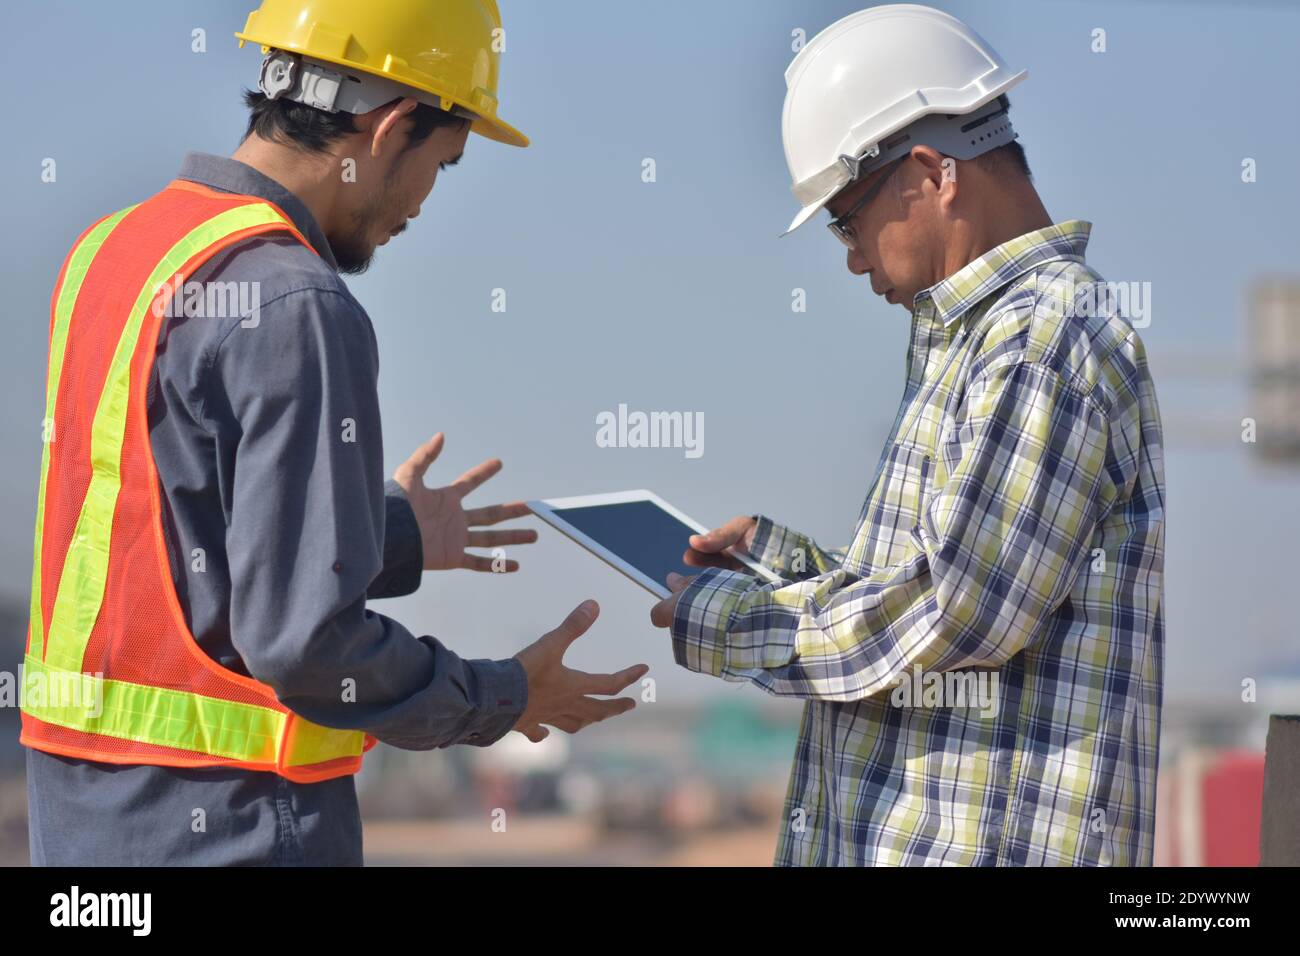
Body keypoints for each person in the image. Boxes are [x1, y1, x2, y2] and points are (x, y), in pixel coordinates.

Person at [22, 0, 646, 866]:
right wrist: (500, 696)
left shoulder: (112, 251)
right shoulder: (296, 303)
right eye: (445, 162)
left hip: (84, 822)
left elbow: (157, 531)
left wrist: (380, 536)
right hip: (235, 823)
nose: (425, 205)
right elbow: (307, 646)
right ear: (392, 128)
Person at [650, 4, 1165, 866]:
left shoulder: (1042, 337)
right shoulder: (984, 339)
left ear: (930, 174)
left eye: (847, 220)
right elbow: (953, 584)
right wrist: (785, 568)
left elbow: (956, 612)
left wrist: (738, 624)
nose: (851, 258)